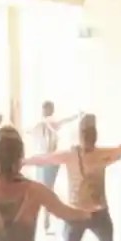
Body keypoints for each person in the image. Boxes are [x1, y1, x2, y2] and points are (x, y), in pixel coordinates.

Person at [27, 100, 81, 234]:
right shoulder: (46, 124)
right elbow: (64, 121)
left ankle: (44, 223)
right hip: (47, 161)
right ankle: (44, 223)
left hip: (44, 161)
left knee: (44, 191)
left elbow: (28, 131)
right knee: (46, 191)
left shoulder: (42, 125)